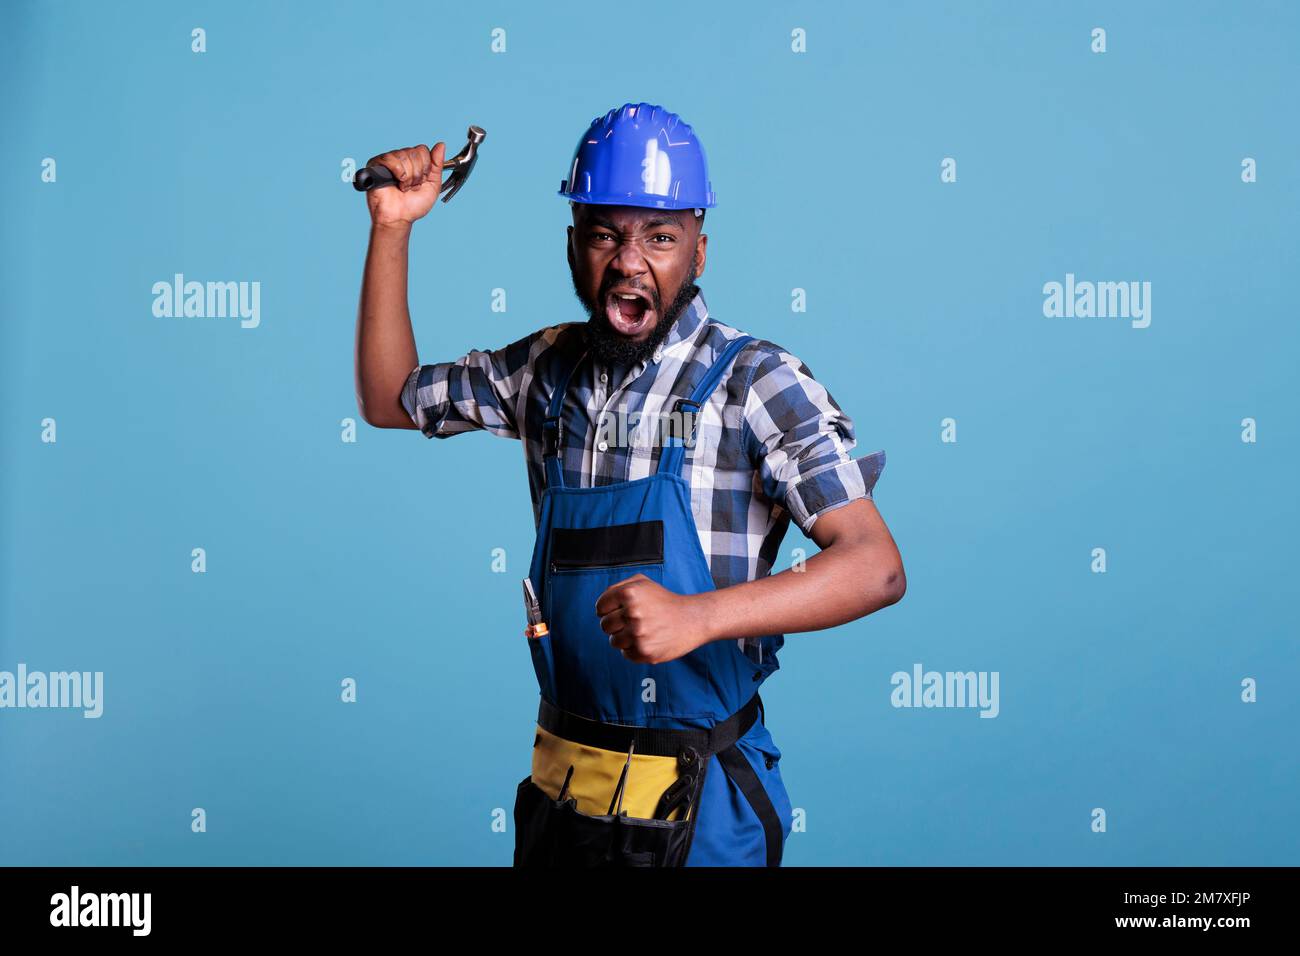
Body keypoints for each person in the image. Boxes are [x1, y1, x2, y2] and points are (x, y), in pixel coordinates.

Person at [353, 102, 906, 866]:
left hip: (699, 805)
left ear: (699, 253)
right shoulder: (544, 369)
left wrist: (698, 616)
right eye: (606, 234)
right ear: (575, 243)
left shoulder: (756, 382)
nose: (629, 260)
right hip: (565, 801)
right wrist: (392, 228)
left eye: (660, 237)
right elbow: (389, 398)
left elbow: (874, 567)